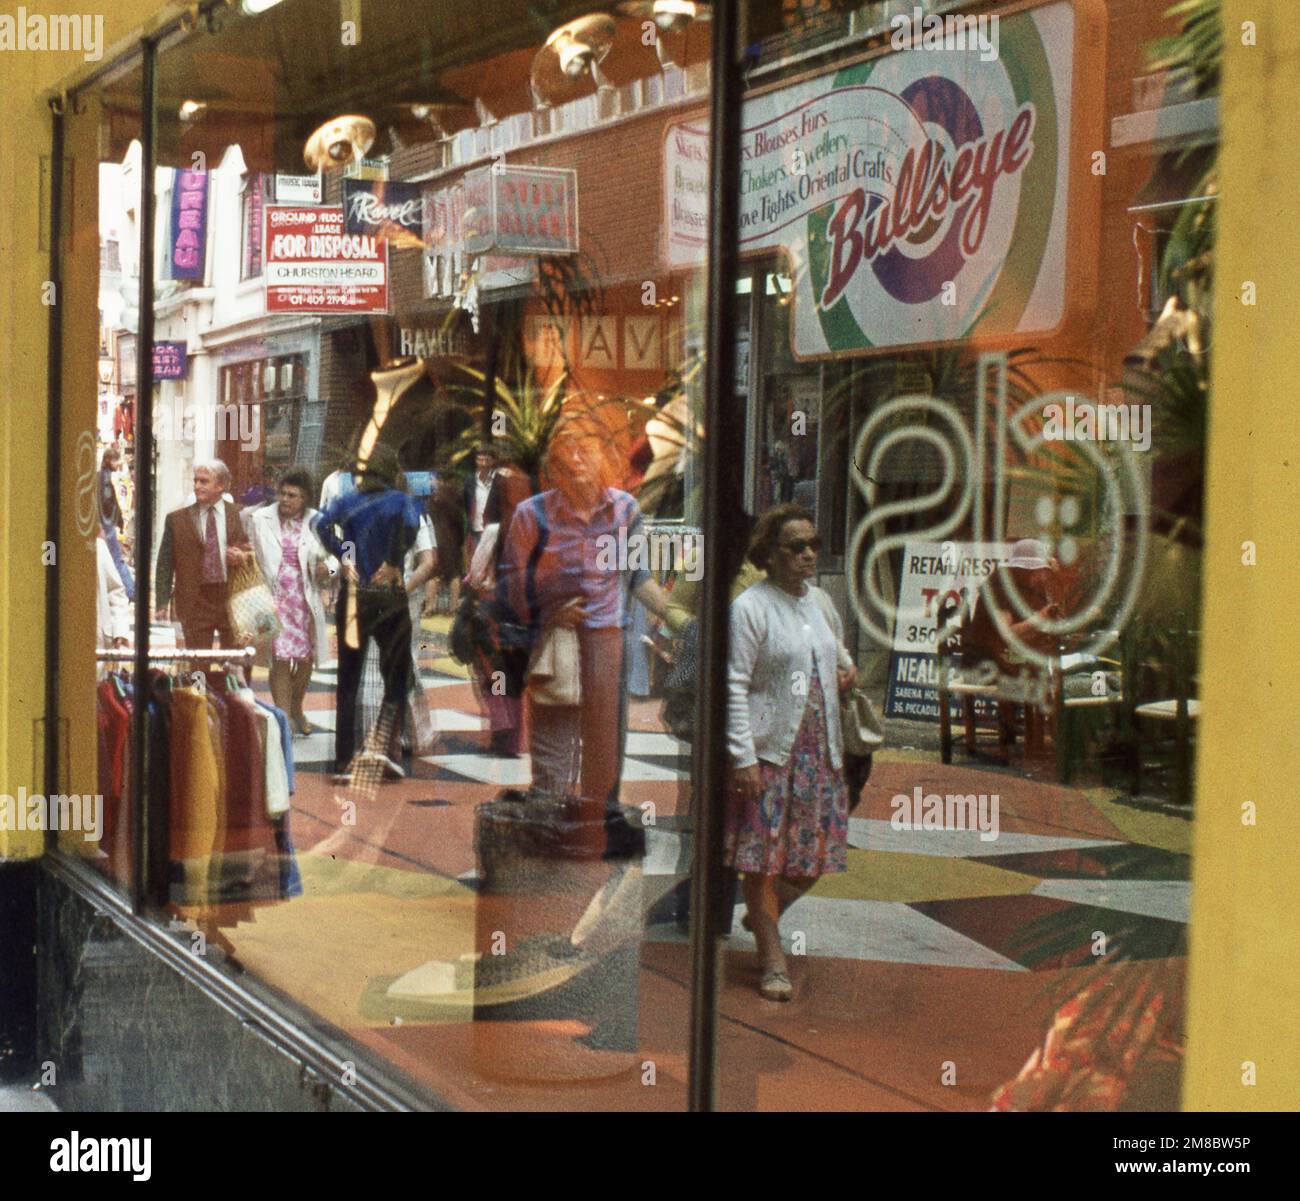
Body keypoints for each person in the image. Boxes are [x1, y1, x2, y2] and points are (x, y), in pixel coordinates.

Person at [496, 425, 669, 810]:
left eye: (584, 450)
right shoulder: (533, 514)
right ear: (552, 468)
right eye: (565, 453)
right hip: (555, 639)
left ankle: (599, 820)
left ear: (603, 460)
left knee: (605, 745)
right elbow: (510, 585)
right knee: (554, 741)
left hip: (606, 640)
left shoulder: (625, 509)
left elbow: (639, 579)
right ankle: (549, 819)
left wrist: (682, 620)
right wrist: (548, 611)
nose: (575, 460)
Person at [726, 503, 855, 1002]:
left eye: (813, 545)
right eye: (795, 547)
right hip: (770, 754)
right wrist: (742, 758)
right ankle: (772, 959)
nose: (807, 555)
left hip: (820, 754)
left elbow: (838, 655)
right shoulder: (751, 608)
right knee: (762, 860)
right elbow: (734, 684)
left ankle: (764, 917)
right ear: (770, 555)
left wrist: (848, 674)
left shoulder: (820, 602)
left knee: (812, 860)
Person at [311, 445, 422, 785]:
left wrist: (346, 556)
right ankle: (385, 752)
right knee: (394, 678)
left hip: (354, 595)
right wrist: (392, 561)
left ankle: (344, 760)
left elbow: (321, 525)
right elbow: (410, 529)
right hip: (389, 596)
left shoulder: (347, 501)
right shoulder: (401, 500)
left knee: (348, 681)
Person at [248, 468, 334, 736]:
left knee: (306, 660)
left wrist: (328, 570)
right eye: (282, 493)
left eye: (292, 495)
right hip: (270, 601)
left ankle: (297, 706)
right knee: (279, 660)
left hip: (304, 601)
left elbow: (343, 553)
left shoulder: (319, 521)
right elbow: (251, 555)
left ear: (305, 497)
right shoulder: (259, 518)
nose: (284, 499)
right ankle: (284, 719)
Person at [154, 459, 252, 651]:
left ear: (221, 485)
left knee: (234, 663)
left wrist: (243, 555)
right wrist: (161, 601)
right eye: (196, 481)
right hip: (195, 601)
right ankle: (200, 681)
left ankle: (227, 680)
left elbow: (254, 550)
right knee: (197, 665)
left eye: (204, 481)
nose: (197, 486)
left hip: (231, 598)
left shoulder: (240, 514)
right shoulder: (176, 520)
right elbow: (165, 563)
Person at [461, 443, 501, 558]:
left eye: (487, 460)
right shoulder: (469, 481)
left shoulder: (499, 481)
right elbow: (465, 504)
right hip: (475, 530)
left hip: (494, 530)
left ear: (493, 461)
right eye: (480, 460)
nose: (483, 464)